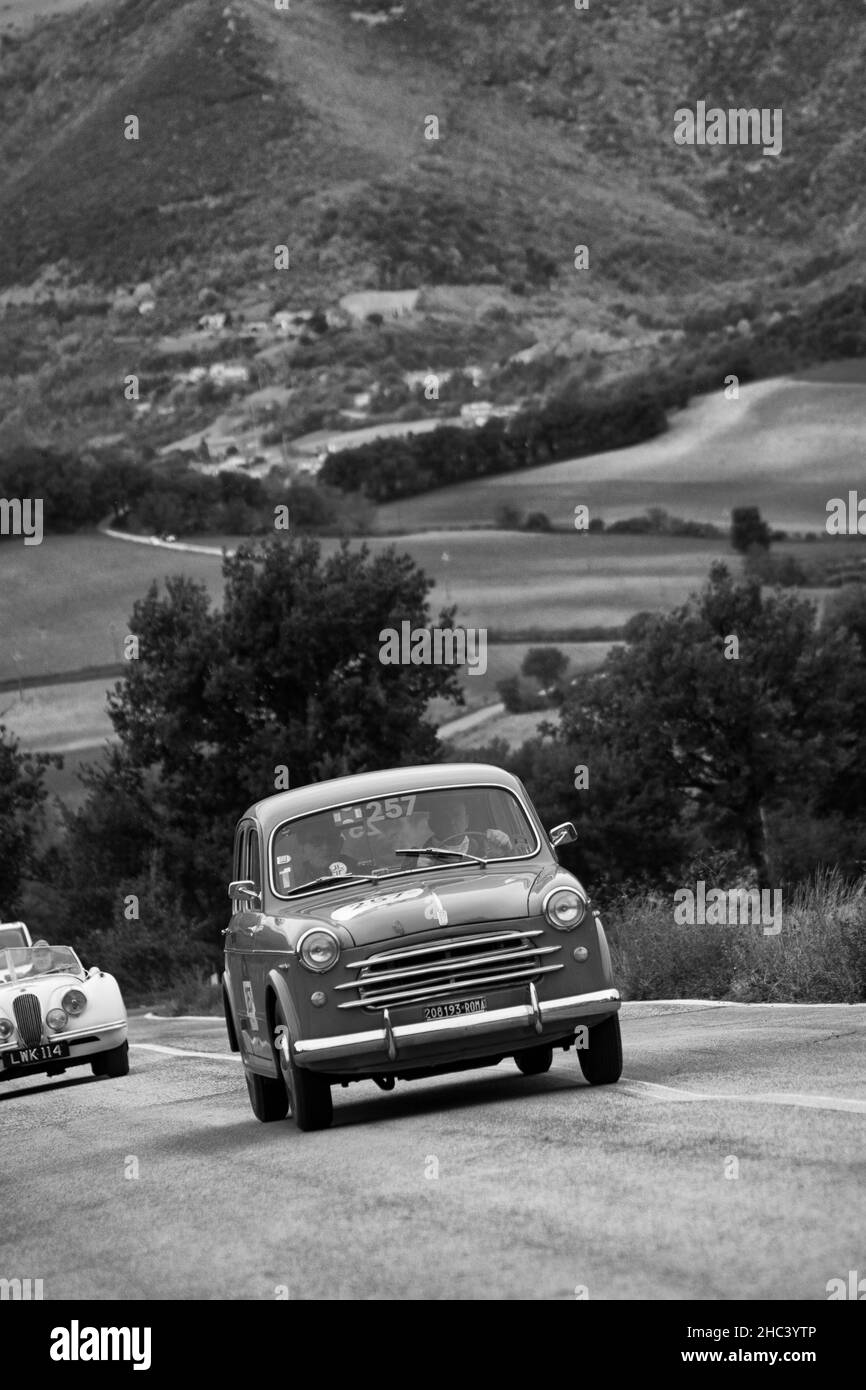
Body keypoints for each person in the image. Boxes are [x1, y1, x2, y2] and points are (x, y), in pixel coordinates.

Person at [423, 796, 512, 858]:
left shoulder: (483, 846)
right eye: (444, 817)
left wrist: (502, 843)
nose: (451, 822)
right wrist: (417, 864)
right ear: (432, 825)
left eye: (456, 815)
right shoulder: (421, 855)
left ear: (467, 821)